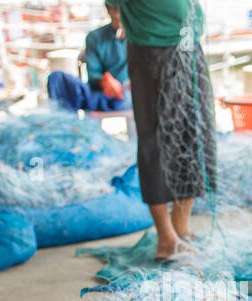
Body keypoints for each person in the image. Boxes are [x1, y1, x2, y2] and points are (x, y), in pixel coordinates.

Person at [111, 0, 217, 261]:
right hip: (152, 49)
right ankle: (166, 238)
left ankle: (181, 227)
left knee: (194, 136)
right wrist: (121, 18)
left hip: (188, 45)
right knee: (156, 141)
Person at [46, 4, 131, 112]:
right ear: (108, 10)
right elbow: (93, 74)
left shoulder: (139, 37)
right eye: (115, 10)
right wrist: (104, 81)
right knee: (56, 78)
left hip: (128, 97)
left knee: (131, 97)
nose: (119, 17)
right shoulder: (95, 37)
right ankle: (64, 121)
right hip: (98, 94)